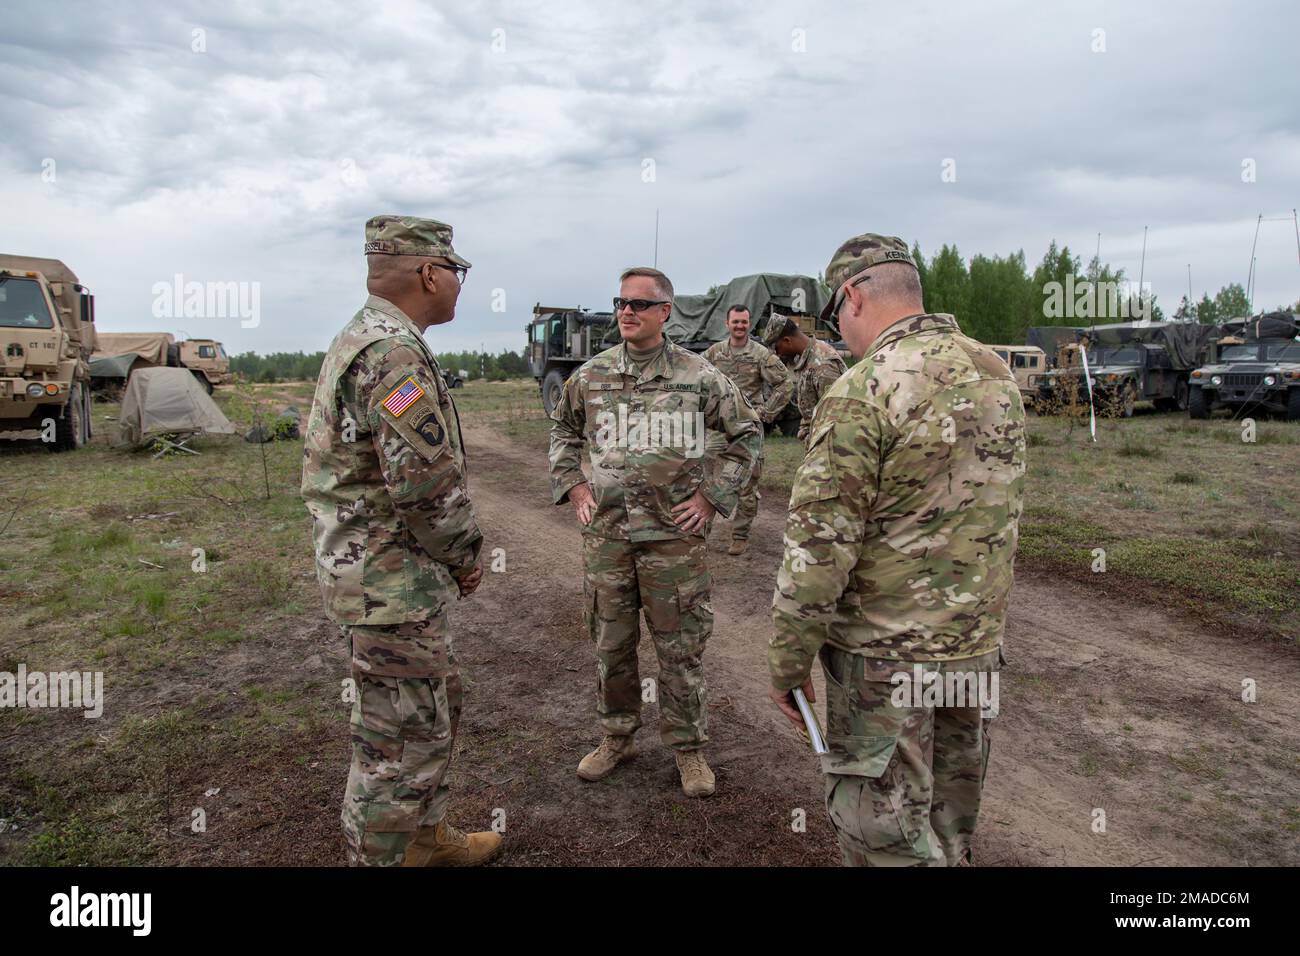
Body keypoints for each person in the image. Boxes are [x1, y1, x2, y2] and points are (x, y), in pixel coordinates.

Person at [767, 233, 1026, 866]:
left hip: (885, 664)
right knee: (950, 824)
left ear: (852, 296)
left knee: (885, 839)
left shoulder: (865, 389)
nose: (840, 332)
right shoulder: (996, 374)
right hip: (972, 652)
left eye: (835, 315)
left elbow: (821, 548)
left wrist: (788, 658)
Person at [302, 215, 501, 867]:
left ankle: (424, 843)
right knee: (396, 748)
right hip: (389, 587)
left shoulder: (375, 338)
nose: (457, 284)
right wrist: (468, 557)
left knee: (437, 704)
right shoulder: (391, 351)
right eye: (456, 271)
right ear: (427, 273)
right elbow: (424, 487)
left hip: (393, 583)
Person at [549, 267, 761, 797]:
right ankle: (616, 738)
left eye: (640, 304)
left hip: (673, 541)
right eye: (621, 302)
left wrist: (712, 497)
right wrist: (574, 485)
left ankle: (688, 749)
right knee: (611, 644)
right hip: (608, 539)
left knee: (680, 647)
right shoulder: (591, 376)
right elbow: (562, 429)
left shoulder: (698, 375)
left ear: (665, 312)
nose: (627, 311)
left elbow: (747, 433)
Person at [701, 306, 793, 554]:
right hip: (718, 430)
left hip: (748, 429)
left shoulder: (760, 354)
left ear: (749, 324)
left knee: (747, 484)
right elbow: (697, 380)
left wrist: (765, 413)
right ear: (727, 323)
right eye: (735, 322)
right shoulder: (714, 353)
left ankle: (740, 535)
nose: (739, 326)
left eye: (744, 322)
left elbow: (785, 383)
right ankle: (701, 533)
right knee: (705, 479)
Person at [759, 315, 848, 444]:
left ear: (787, 340)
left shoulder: (822, 365)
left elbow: (835, 417)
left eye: (777, 348)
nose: (778, 354)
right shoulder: (807, 357)